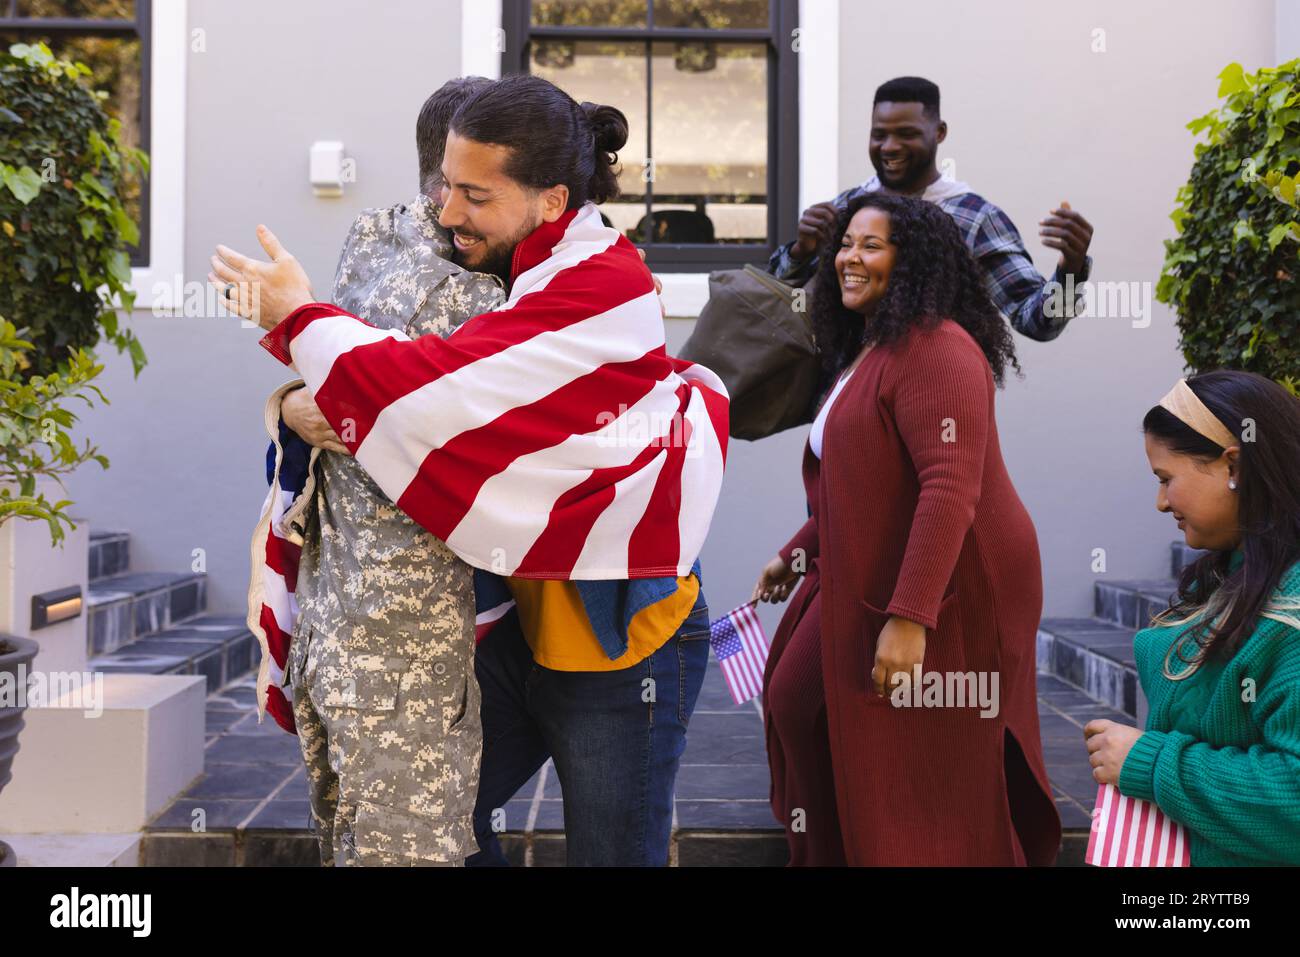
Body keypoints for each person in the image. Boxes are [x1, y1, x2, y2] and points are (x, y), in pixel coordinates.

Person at [213, 73, 727, 867]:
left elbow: (433, 400)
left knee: (612, 855)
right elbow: (406, 385)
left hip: (624, 642)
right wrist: (296, 403)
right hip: (522, 633)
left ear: (552, 200)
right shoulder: (501, 269)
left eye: (474, 196)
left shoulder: (598, 285)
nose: (447, 213)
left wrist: (298, 318)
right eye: (443, 187)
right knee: (436, 816)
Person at [753, 191, 1061, 865]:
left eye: (871, 245)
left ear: (914, 259)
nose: (848, 259)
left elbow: (949, 486)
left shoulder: (939, 350)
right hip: (882, 558)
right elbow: (861, 479)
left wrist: (911, 616)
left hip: (961, 577)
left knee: (928, 759)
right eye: (845, 243)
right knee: (797, 700)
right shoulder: (874, 345)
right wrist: (796, 553)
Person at [244, 76, 502, 867]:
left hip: (334, 632)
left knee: (352, 841)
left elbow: (339, 385)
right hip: (402, 658)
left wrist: (290, 402)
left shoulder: (369, 240)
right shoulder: (478, 294)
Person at [1084, 371, 1300, 866]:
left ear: (1235, 466)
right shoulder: (1232, 576)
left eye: (1166, 479)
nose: (1161, 503)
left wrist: (1150, 762)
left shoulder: (1288, 618)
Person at [771, 76, 1094, 352]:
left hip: (932, 399)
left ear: (939, 132)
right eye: (879, 134)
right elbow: (780, 291)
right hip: (843, 397)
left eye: (906, 134)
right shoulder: (847, 206)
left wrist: (1071, 268)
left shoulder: (973, 216)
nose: (889, 146)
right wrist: (802, 251)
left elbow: (1037, 323)